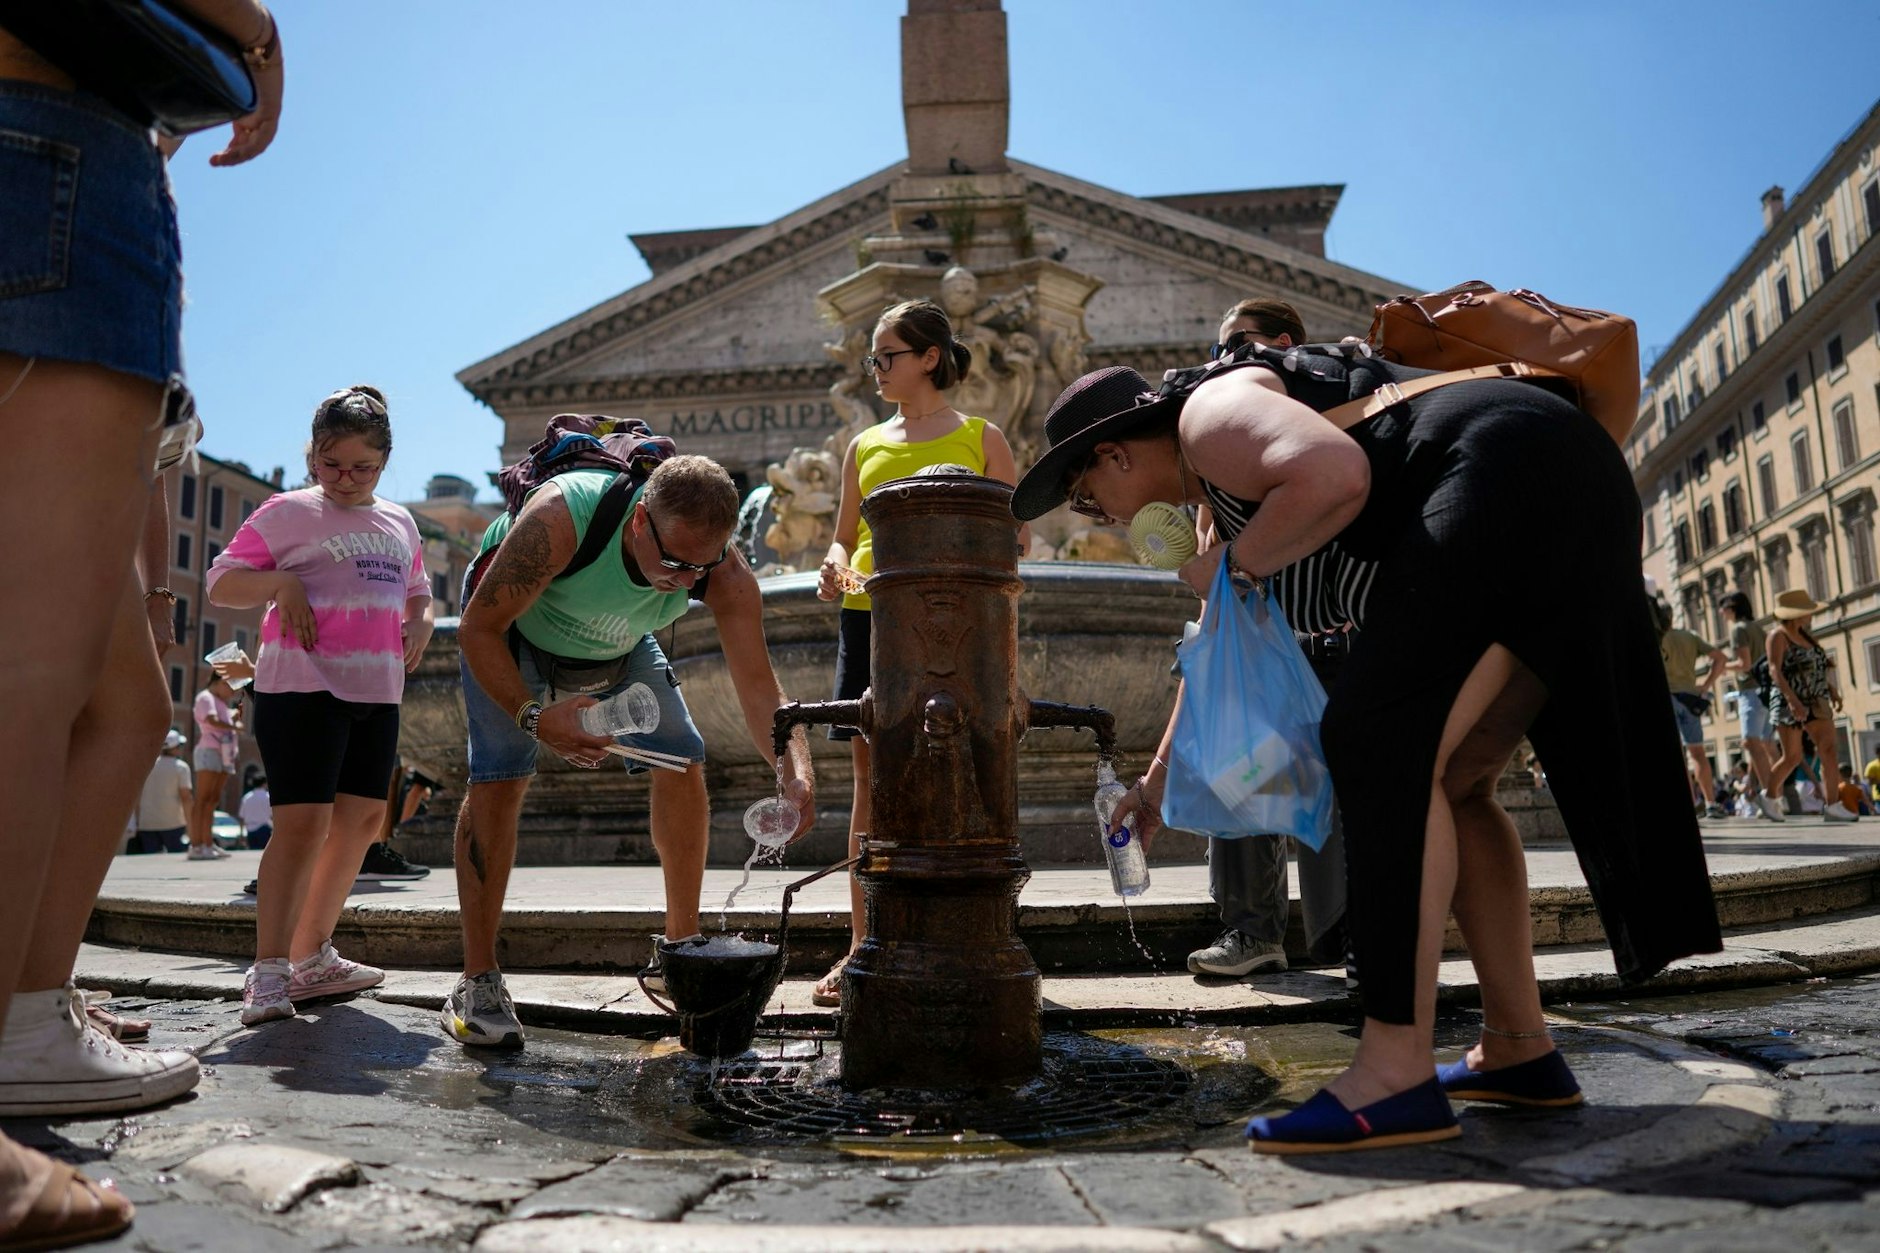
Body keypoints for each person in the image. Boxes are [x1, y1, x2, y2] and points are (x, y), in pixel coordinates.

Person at [1013, 343, 1720, 1154]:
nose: (1091, 514)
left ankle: (1392, 1072)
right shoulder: (1218, 502)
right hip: (1557, 474)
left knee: (1375, 741)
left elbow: (1335, 473)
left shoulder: (1209, 419)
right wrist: (1155, 785)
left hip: (1512, 473)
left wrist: (1235, 564)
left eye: (1084, 491)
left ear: (1116, 450)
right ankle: (1521, 1048)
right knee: (1454, 778)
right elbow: (1214, 655)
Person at [0, 3, 284, 1242]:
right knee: (25, 674)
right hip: (48, 146)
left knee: (120, 698)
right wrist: (252, 28)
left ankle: (26, 1011)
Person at [448, 452, 815, 1050]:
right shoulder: (563, 517)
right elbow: (475, 630)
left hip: (615, 639)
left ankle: (681, 950)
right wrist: (535, 718)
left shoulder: (719, 571)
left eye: (704, 566)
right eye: (674, 562)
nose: (688, 581)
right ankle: (477, 980)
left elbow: (760, 688)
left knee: (682, 757)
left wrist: (796, 774)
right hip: (510, 629)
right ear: (639, 520)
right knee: (500, 777)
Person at [812, 298, 1023, 1006]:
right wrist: (834, 566)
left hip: (959, 626)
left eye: (885, 356)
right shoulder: (862, 445)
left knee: (974, 771)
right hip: (869, 618)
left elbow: (1016, 537)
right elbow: (844, 536)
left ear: (929, 357)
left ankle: (981, 935)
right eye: (872, 358)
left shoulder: (981, 436)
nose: (874, 369)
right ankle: (860, 944)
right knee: (871, 785)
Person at [207, 385, 435, 1025]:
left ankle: (312, 959)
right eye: (331, 465)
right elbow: (221, 582)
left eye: (362, 468)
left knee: (362, 824)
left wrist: (421, 618)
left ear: (385, 463)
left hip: (377, 689)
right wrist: (281, 581)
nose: (345, 479)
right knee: (302, 826)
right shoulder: (288, 512)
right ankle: (268, 972)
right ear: (313, 456)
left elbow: (418, 591)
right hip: (300, 687)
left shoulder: (400, 521)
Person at [1185, 298, 1350, 981]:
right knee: (1242, 771)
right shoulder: (1230, 441)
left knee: (1333, 798)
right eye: (1217, 350)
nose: (1222, 361)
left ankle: (1346, 939)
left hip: (1331, 629)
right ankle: (1252, 930)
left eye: (1237, 345)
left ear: (1283, 343)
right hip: (1260, 634)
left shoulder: (1328, 415)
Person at [1764, 590, 1856, 822]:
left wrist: (1831, 690)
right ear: (1797, 614)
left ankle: (1833, 806)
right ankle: (1768, 798)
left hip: (1817, 699)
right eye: (1808, 611)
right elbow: (1774, 670)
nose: (1811, 615)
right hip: (1789, 701)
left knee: (1829, 750)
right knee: (1793, 757)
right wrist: (1792, 701)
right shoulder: (1778, 636)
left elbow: (1815, 669)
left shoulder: (1807, 636)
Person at [1651, 599, 1730, 820]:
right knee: (1698, 753)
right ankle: (1710, 802)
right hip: (1690, 699)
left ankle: (1686, 803)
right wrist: (1705, 685)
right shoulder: (1689, 636)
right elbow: (1721, 658)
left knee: (1676, 755)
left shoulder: (1655, 639)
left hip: (1666, 698)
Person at [1720, 592, 1781, 820]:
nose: (1720, 612)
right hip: (1766, 691)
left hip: (1750, 690)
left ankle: (1770, 797)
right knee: (1768, 745)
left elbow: (1744, 664)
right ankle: (1777, 797)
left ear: (1732, 608)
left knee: (1751, 743)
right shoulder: (1758, 628)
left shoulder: (1738, 630)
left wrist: (1723, 665)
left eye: (1723, 607)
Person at [187, 674, 242, 859]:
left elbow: (221, 722)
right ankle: (196, 845)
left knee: (212, 800)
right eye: (229, 685)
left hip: (223, 753)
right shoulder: (206, 697)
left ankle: (208, 844)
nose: (232, 691)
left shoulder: (221, 702)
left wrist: (233, 718)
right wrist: (234, 726)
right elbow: (211, 720)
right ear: (218, 683)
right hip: (209, 751)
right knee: (203, 799)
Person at [135, 731, 194, 854]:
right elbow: (186, 798)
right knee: (175, 862)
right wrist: (191, 826)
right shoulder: (181, 768)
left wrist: (137, 821)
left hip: (147, 823)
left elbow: (137, 796)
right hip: (173, 822)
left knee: (150, 863)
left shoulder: (146, 765)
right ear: (175, 748)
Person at [239, 774, 273, 851]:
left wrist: (241, 834)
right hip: (264, 829)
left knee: (253, 852)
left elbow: (242, 817)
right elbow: (272, 816)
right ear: (264, 784)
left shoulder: (246, 798)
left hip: (250, 830)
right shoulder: (268, 797)